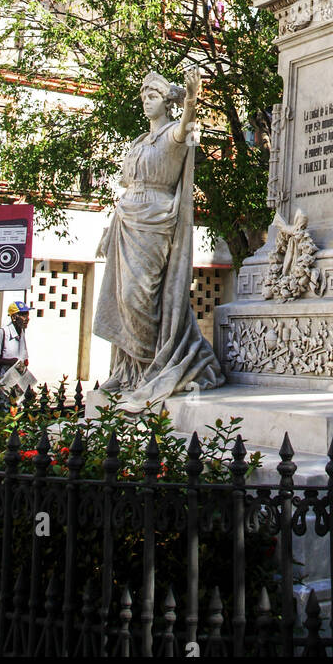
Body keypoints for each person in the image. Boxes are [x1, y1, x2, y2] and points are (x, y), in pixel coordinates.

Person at [93, 67, 224, 411]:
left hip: (155, 222)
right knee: (121, 296)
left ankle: (153, 365)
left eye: (152, 97)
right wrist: (111, 226)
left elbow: (185, 129)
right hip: (128, 219)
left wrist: (193, 100)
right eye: (143, 98)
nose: (146, 103)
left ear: (167, 102)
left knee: (140, 296)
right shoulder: (139, 142)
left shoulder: (171, 135)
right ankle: (128, 371)